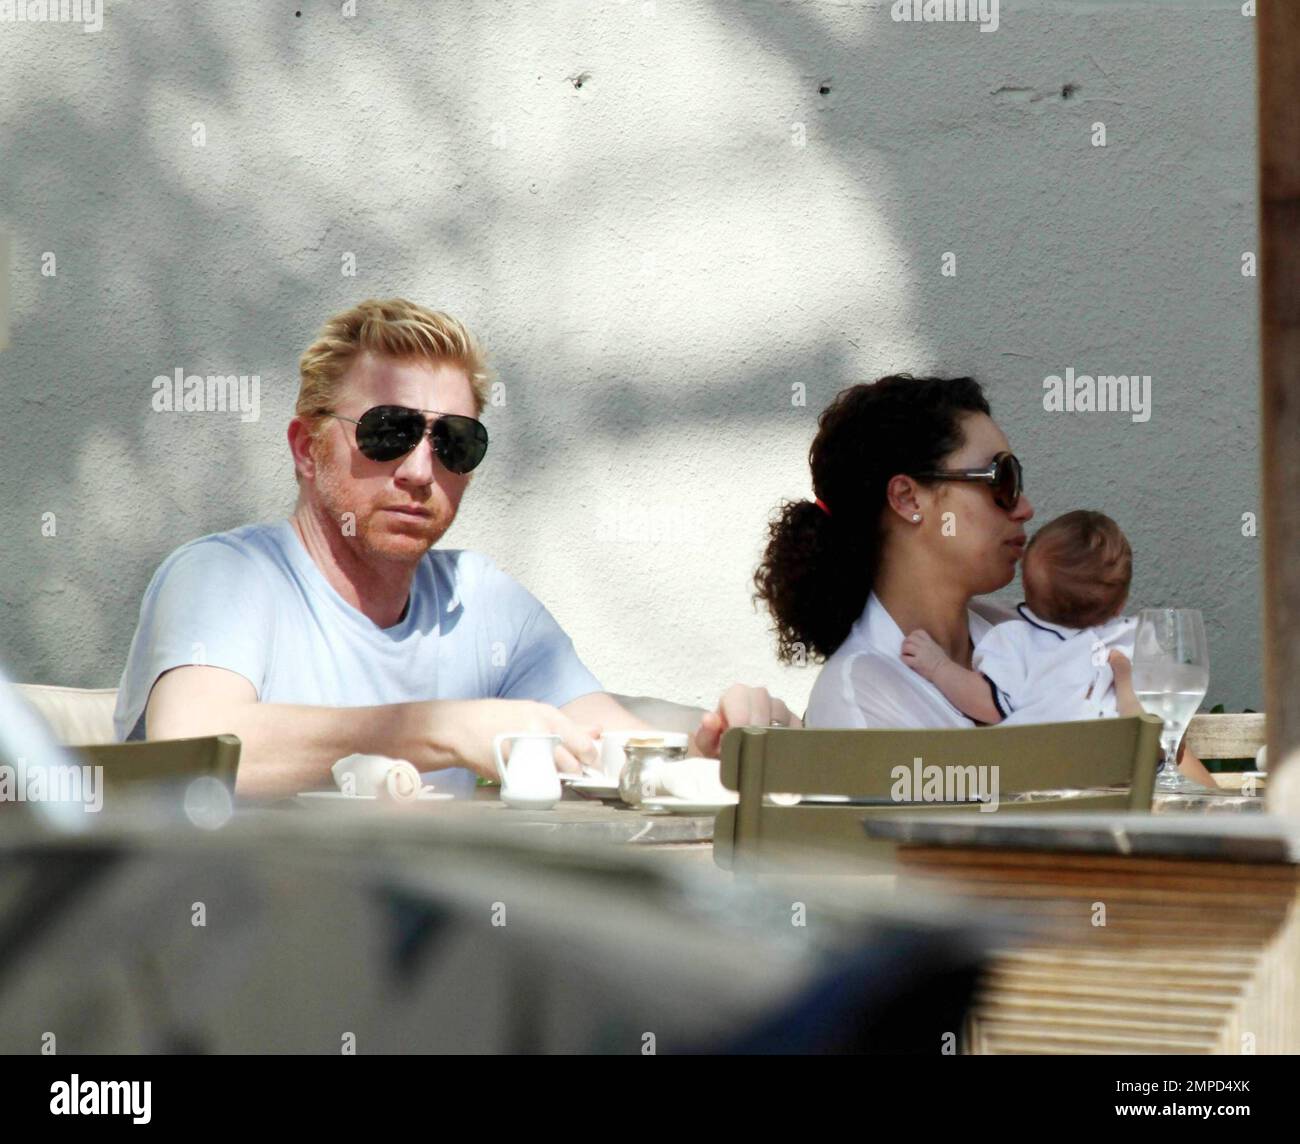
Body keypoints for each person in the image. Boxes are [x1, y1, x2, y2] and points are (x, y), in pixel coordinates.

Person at [115, 298, 796, 798]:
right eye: (387, 431)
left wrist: (710, 753)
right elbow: (192, 748)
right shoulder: (226, 579)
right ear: (305, 448)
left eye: (454, 442)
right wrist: (437, 728)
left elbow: (604, 746)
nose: (419, 470)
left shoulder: (481, 603)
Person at [752, 374, 1213, 786]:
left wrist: (1147, 740)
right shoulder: (861, 694)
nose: (1025, 507)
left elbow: (1200, 798)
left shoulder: (1023, 630)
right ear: (909, 498)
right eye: (1002, 479)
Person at [900, 510, 1141, 724]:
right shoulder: (1131, 638)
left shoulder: (1015, 640)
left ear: (1025, 585)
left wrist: (938, 666)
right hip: (1117, 763)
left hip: (1042, 764)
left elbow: (989, 704)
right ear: (1120, 605)